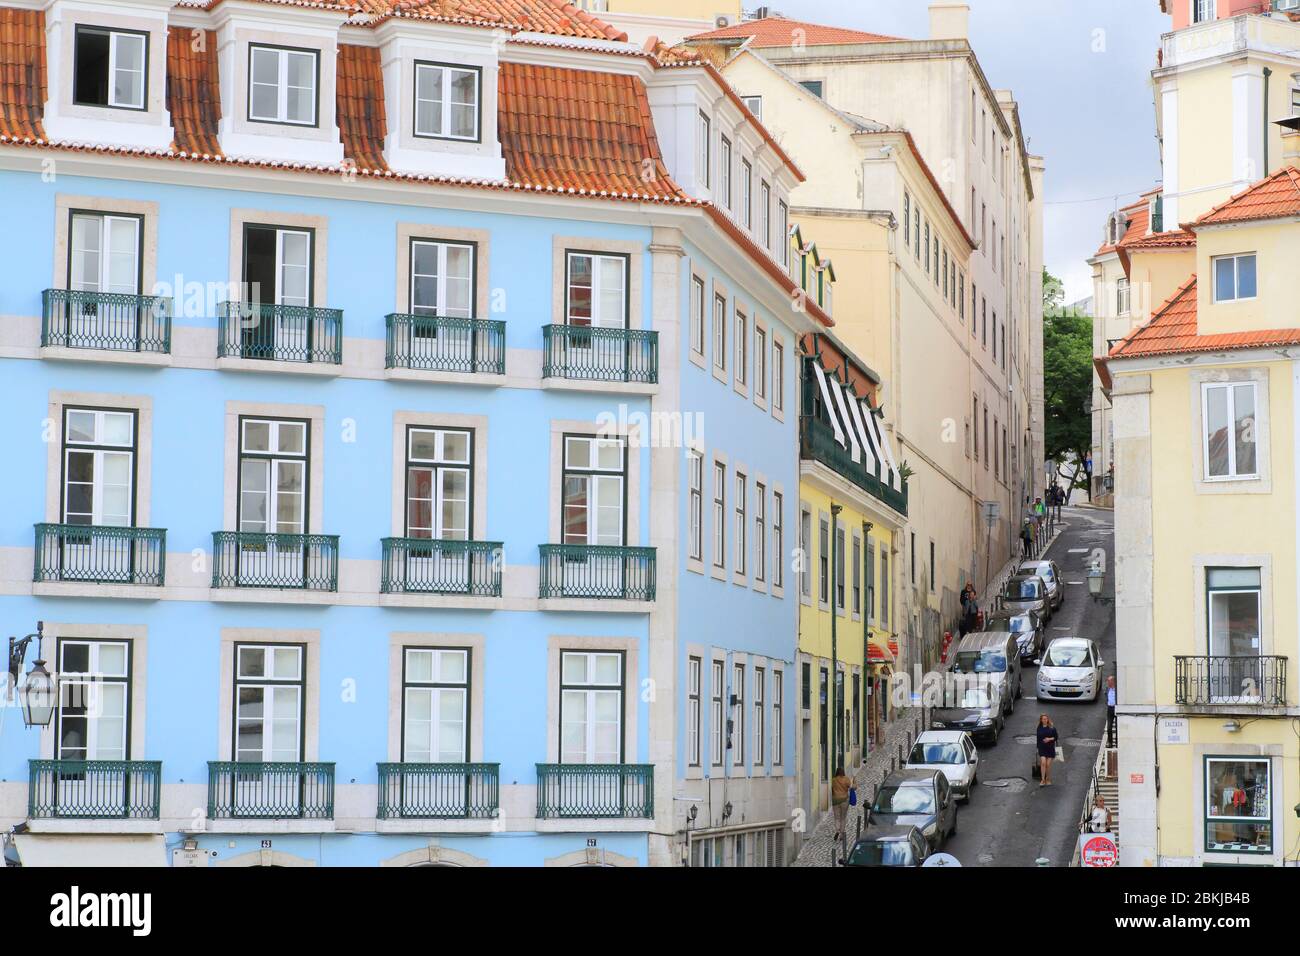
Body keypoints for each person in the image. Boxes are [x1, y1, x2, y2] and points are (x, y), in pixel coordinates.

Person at [830, 767, 853, 842]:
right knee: (843, 817)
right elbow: (851, 787)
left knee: (837, 818)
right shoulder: (846, 779)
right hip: (844, 800)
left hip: (835, 800)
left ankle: (837, 831)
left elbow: (832, 789)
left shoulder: (833, 780)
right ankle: (842, 834)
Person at [1036, 714, 1058, 787]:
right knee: (1043, 763)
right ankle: (1042, 779)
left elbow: (1056, 737)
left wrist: (1049, 739)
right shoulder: (1039, 728)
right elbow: (1038, 739)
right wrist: (1037, 748)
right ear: (1041, 720)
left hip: (1050, 748)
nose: (1045, 720)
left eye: (1046, 719)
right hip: (1042, 748)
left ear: (1048, 719)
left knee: (1048, 765)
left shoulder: (1052, 728)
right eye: (1043, 719)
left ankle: (1048, 779)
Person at [1105, 675, 1117, 748]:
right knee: (1109, 727)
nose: (1107, 683)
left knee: (1118, 726)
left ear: (1112, 681)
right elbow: (1106, 696)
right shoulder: (1107, 689)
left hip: (1116, 708)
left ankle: (1118, 741)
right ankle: (1110, 742)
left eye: (1109, 681)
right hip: (1110, 708)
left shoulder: (1117, 690)